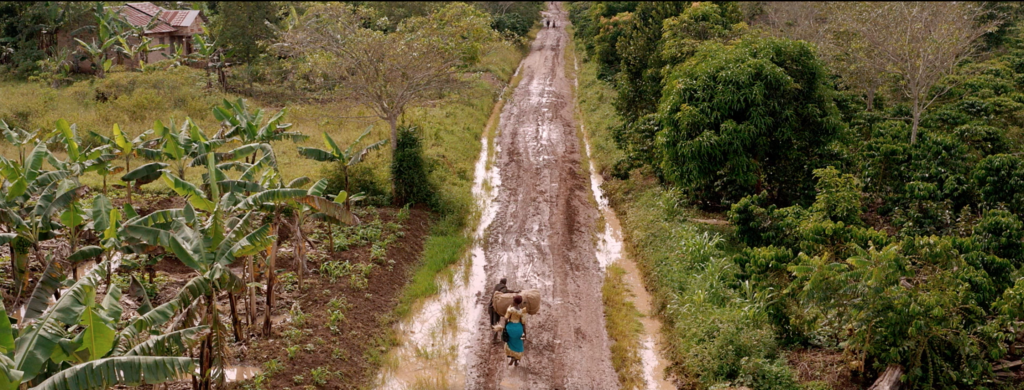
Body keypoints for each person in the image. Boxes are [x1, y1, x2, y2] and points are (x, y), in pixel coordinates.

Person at [503, 295, 527, 366]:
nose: (512, 301)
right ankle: (516, 360)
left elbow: (506, 319)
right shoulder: (522, 311)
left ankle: (512, 358)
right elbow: (523, 323)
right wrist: (525, 333)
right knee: (518, 344)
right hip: (518, 329)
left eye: (513, 300)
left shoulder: (510, 309)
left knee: (510, 344)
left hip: (510, 328)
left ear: (515, 302)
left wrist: (505, 327)